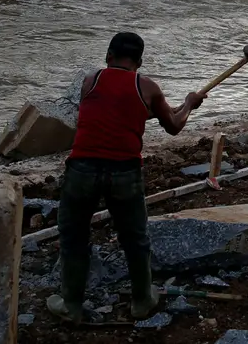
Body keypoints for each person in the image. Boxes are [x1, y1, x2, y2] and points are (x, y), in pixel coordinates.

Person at [47, 32, 205, 324]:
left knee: (73, 237)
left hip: (82, 169)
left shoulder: (90, 80)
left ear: (108, 56)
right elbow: (173, 126)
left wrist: (173, 107)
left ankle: (71, 304)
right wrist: (189, 105)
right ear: (140, 62)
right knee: (135, 238)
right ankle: (142, 301)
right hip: (124, 171)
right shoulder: (148, 87)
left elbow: (105, 114)